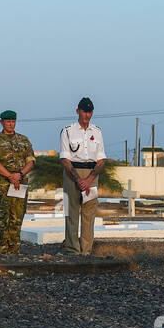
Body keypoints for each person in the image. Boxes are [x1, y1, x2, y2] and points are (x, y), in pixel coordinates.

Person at [58, 97, 105, 255]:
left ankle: (86, 250)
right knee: (71, 212)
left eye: (89, 111)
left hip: (91, 174)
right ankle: (72, 249)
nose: (87, 115)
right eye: (84, 111)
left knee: (89, 213)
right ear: (78, 111)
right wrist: (78, 179)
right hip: (72, 173)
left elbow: (101, 160)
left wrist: (89, 180)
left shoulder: (97, 132)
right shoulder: (67, 131)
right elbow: (65, 158)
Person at [0, 110, 35, 255]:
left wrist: (19, 175)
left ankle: (14, 252)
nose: (10, 124)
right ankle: (1, 252)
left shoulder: (24, 140)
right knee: (2, 219)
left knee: (17, 218)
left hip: (20, 185)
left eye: (13, 121)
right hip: (2, 185)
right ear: (2, 122)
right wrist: (10, 176)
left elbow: (31, 161)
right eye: (8, 121)